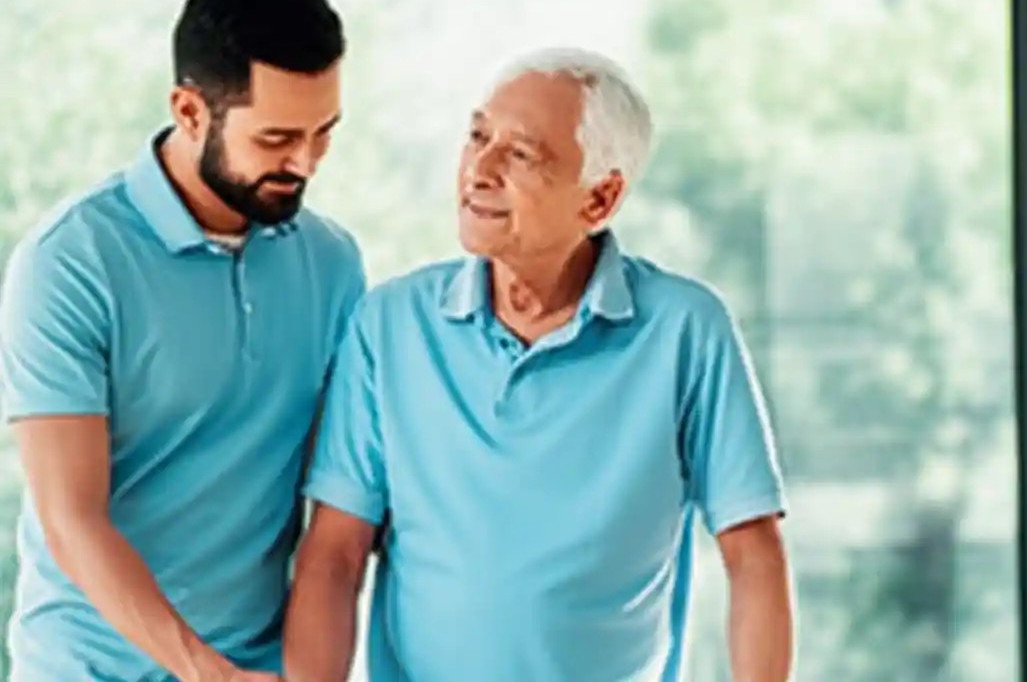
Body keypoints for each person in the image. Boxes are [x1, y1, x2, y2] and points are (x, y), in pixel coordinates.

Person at [285, 48, 794, 682]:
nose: (480, 168)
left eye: (520, 154)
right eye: (477, 137)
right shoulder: (388, 325)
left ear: (600, 199)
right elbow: (334, 555)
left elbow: (754, 556)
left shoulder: (686, 332)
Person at [0, 0, 363, 679]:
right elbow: (73, 521)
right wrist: (206, 671)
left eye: (325, 133)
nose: (307, 162)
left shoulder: (331, 262)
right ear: (190, 111)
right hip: (89, 667)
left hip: (253, 663)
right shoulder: (72, 262)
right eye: (277, 138)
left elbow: (335, 500)